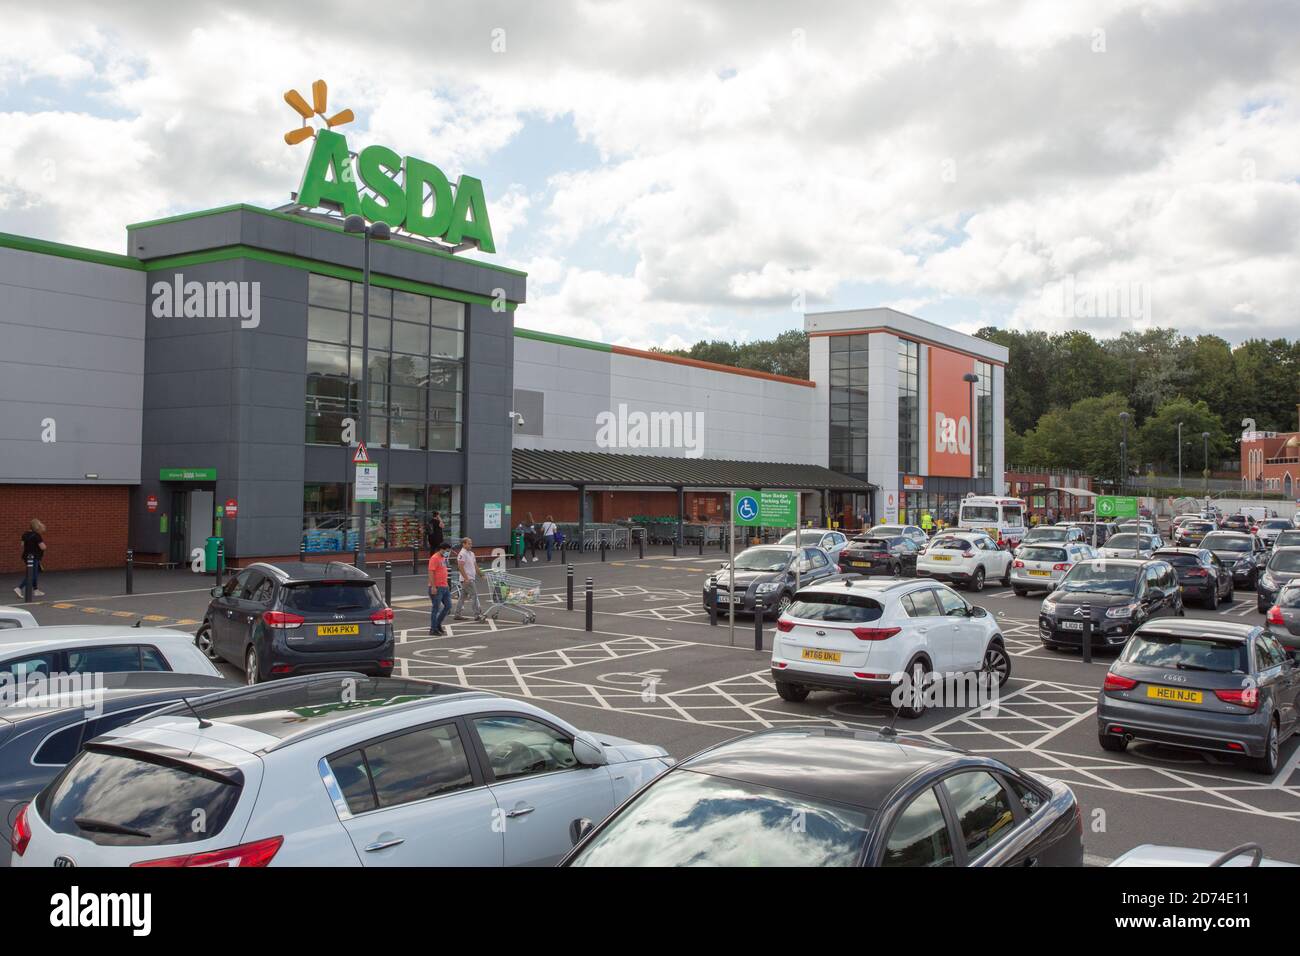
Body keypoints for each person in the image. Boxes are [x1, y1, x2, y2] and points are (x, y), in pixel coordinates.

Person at [454, 537, 484, 621]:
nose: (471, 545)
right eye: (469, 543)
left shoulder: (471, 553)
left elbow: (475, 565)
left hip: (470, 578)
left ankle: (457, 613)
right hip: (467, 579)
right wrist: (466, 578)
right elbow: (460, 566)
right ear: (463, 544)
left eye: (471, 543)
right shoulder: (462, 554)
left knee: (462, 597)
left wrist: (481, 574)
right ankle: (477, 615)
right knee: (474, 595)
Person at [15, 518, 46, 599]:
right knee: (31, 574)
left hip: (26, 556)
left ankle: (36, 590)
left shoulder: (25, 534)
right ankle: (19, 588)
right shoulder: (37, 536)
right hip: (34, 557)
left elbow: (22, 544)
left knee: (33, 573)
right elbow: (43, 547)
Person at [427, 541, 452, 635]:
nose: (448, 553)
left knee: (448, 606)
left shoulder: (443, 558)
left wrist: (446, 584)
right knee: (436, 608)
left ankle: (437, 624)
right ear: (442, 549)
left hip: (444, 586)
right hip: (437, 587)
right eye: (447, 551)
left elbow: (443, 571)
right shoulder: (434, 558)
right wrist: (433, 586)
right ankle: (433, 629)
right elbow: (431, 572)